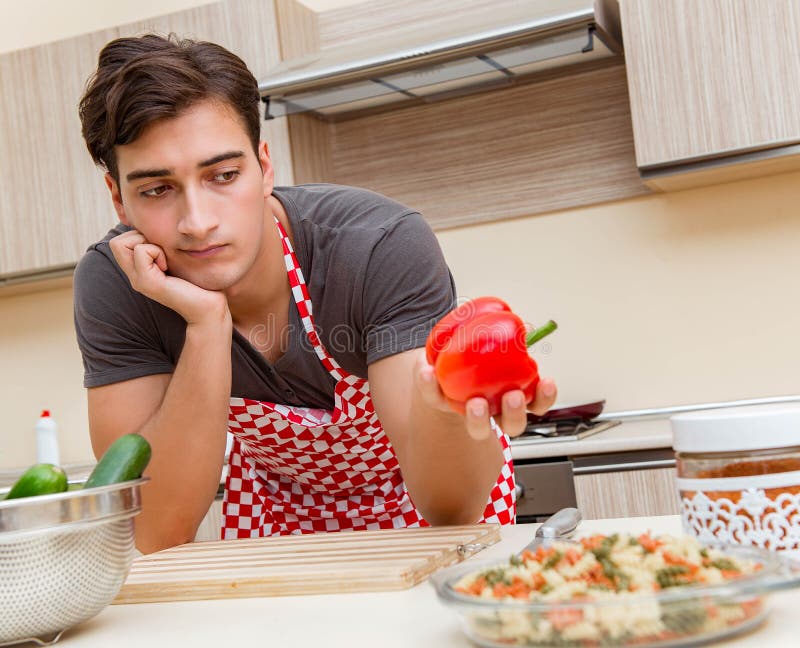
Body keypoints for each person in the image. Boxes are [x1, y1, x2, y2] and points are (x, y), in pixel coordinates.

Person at [73, 34, 558, 554]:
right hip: (278, 524)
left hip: (426, 515)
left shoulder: (377, 247)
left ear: (264, 167)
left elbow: (449, 510)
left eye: (224, 175)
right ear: (118, 198)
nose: (198, 222)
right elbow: (155, 534)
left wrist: (446, 413)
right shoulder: (116, 286)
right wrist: (206, 325)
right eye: (157, 189)